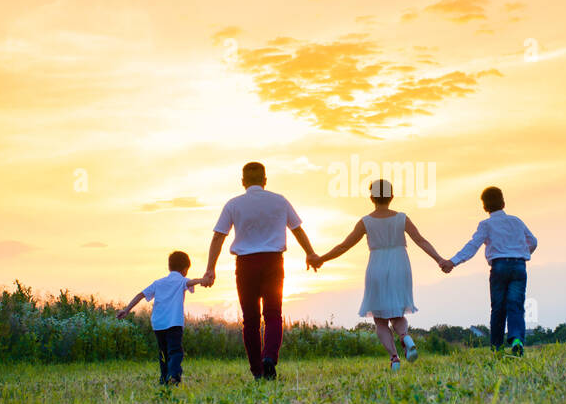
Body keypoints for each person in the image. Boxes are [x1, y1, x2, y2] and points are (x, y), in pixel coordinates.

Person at [311, 179, 447, 371]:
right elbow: (420, 240)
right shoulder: (402, 218)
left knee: (380, 319)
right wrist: (439, 259)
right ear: (391, 196)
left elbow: (344, 246)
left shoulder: (366, 222)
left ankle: (394, 358)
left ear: (371, 197)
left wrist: (322, 259)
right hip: (400, 265)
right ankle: (404, 337)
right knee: (397, 312)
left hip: (377, 266)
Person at [201, 162, 319, 381]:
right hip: (273, 262)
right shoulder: (279, 201)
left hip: (245, 265)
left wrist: (210, 269)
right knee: (273, 314)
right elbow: (297, 229)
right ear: (265, 180)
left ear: (243, 181)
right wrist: (310, 253)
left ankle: (257, 370)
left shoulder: (233, 204)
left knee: (251, 319)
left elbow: (218, 236)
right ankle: (269, 358)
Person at [442, 186, 538, 356]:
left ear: (485, 207)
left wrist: (453, 262)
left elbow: (472, 246)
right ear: (503, 202)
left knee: (498, 308)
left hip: (499, 266)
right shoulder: (516, 221)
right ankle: (517, 339)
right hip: (519, 266)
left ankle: (497, 348)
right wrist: (521, 253)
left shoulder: (486, 225)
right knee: (516, 306)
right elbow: (533, 241)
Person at [116, 250, 208, 387]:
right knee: (175, 351)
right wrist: (204, 280)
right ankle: (174, 376)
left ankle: (164, 378)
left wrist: (127, 309)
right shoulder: (182, 280)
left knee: (163, 353)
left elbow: (140, 295)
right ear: (185, 269)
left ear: (170, 267)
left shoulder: (158, 283)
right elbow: (192, 282)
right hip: (174, 323)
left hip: (158, 324)